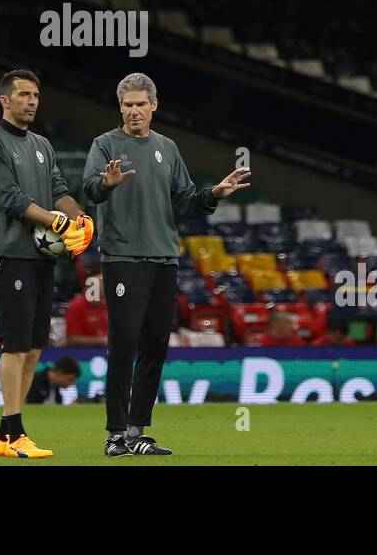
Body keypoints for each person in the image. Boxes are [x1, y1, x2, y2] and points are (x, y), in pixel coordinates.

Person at [83, 72, 251, 457]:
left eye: (140, 104)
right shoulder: (104, 144)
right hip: (124, 257)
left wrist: (214, 193)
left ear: (154, 106)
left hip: (163, 257)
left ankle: (137, 431)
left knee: (156, 345)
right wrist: (106, 184)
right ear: (120, 107)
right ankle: (114, 434)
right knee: (123, 343)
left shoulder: (167, 148)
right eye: (127, 105)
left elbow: (185, 200)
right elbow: (90, 188)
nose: (134, 111)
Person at [0, 69, 94, 460]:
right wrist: (56, 222)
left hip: (42, 258)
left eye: (36, 95)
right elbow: (7, 197)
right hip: (8, 255)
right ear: (5, 101)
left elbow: (59, 191)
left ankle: (8, 433)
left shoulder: (42, 144)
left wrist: (79, 218)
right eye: (23, 95)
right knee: (15, 345)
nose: (31, 101)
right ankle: (13, 431)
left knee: (34, 350)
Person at [63, 258, 108, 347]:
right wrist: (101, 341)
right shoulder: (76, 306)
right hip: (85, 354)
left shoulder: (113, 306)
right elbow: (72, 339)